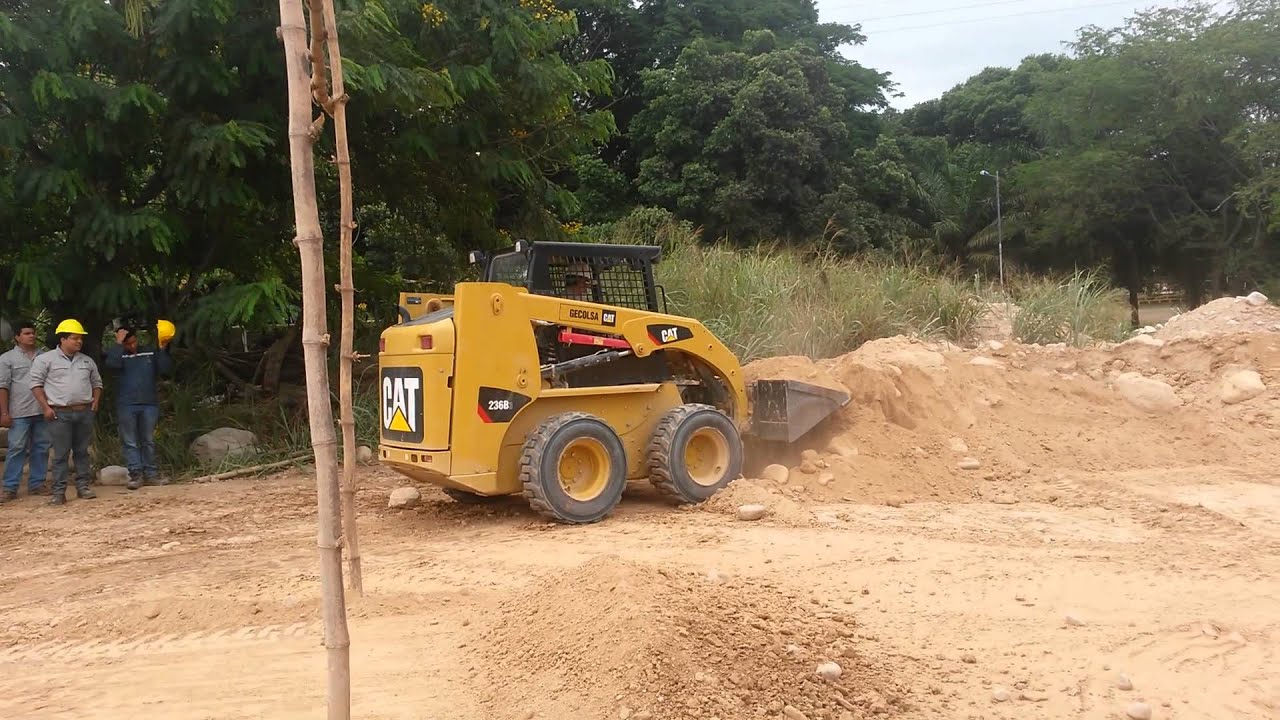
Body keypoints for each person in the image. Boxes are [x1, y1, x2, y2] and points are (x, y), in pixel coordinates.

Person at [30, 319, 103, 505]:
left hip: (84, 412)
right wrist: (45, 408)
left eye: (80, 338)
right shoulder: (45, 360)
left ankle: (83, 487)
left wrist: (95, 401)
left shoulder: (86, 361)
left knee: (82, 452)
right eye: (74, 338)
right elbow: (36, 385)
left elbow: (97, 383)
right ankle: (59, 492)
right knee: (61, 454)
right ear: (62, 339)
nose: (79, 341)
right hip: (59, 413)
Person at [104, 321, 173, 490]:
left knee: (148, 440)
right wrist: (118, 344)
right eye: (128, 344)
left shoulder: (148, 351)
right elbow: (111, 365)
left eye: (134, 342)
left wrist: (163, 348)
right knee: (130, 441)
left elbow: (165, 369)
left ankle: (151, 474)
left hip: (149, 403)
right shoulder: (118, 354)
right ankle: (136, 475)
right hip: (126, 404)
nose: (132, 346)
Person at [0, 320, 51, 501]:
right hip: (19, 411)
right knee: (16, 448)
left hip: (42, 410)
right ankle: (10, 487)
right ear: (17, 337)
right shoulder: (7, 359)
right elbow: (3, 387)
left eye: (33, 333)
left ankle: (37, 484)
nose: (32, 336)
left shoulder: (45, 356)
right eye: (27, 333)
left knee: (41, 447)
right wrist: (4, 413)